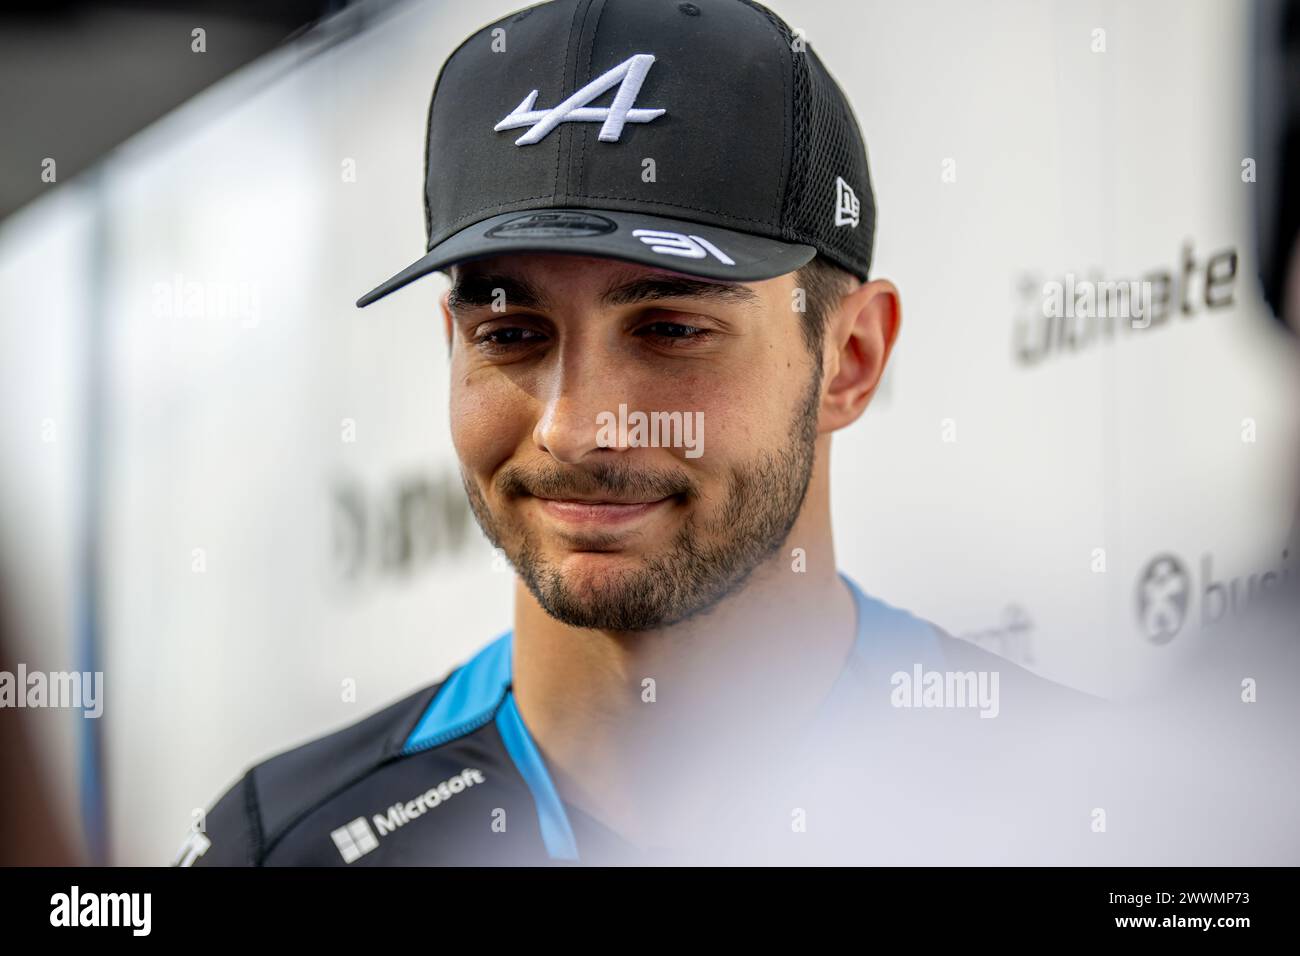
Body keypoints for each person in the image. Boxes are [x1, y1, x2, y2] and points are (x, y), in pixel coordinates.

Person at [179, 0, 1087, 867]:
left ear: (849, 358)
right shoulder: (281, 846)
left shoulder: (1089, 808)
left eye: (669, 329)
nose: (575, 428)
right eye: (511, 334)